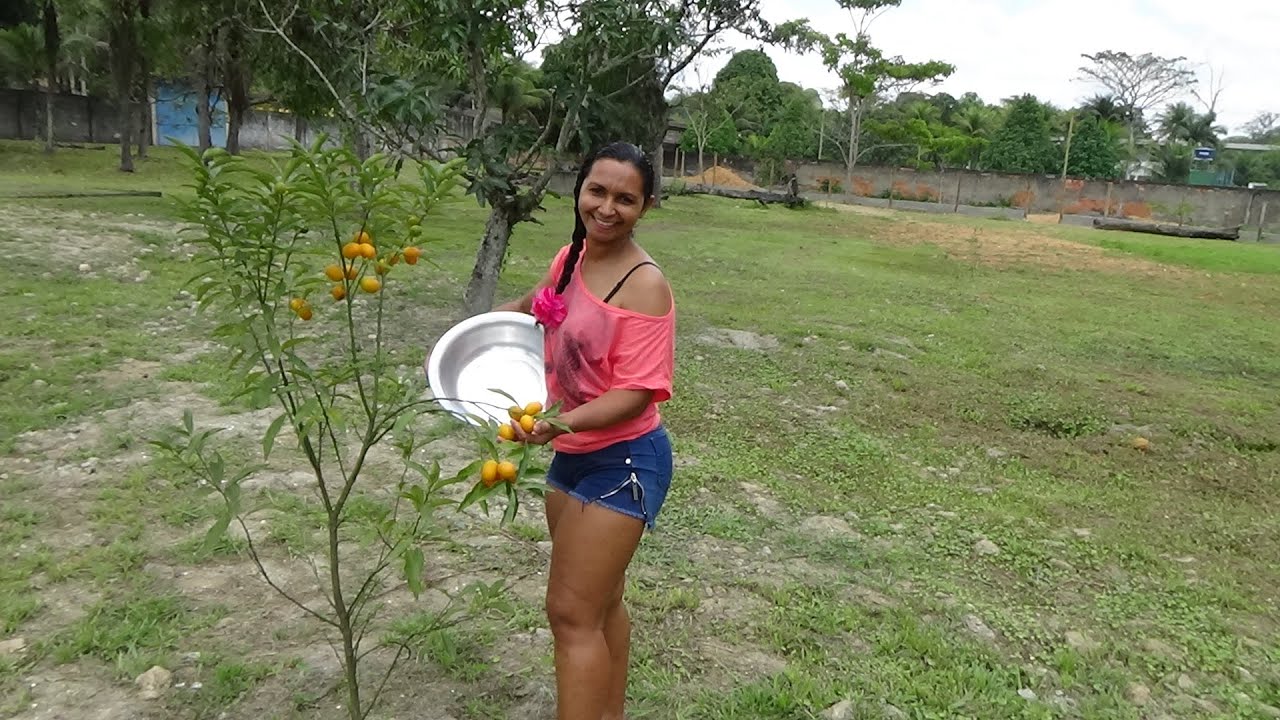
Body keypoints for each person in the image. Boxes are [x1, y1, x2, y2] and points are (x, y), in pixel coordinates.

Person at [495, 141, 676, 720]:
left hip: (623, 462)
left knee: (570, 614)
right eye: (597, 191)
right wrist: (474, 337)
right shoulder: (569, 257)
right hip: (570, 455)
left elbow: (636, 392)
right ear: (579, 190)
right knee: (600, 604)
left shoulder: (647, 285)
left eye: (626, 199)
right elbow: (536, 306)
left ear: (644, 207)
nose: (606, 207)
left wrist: (559, 422)